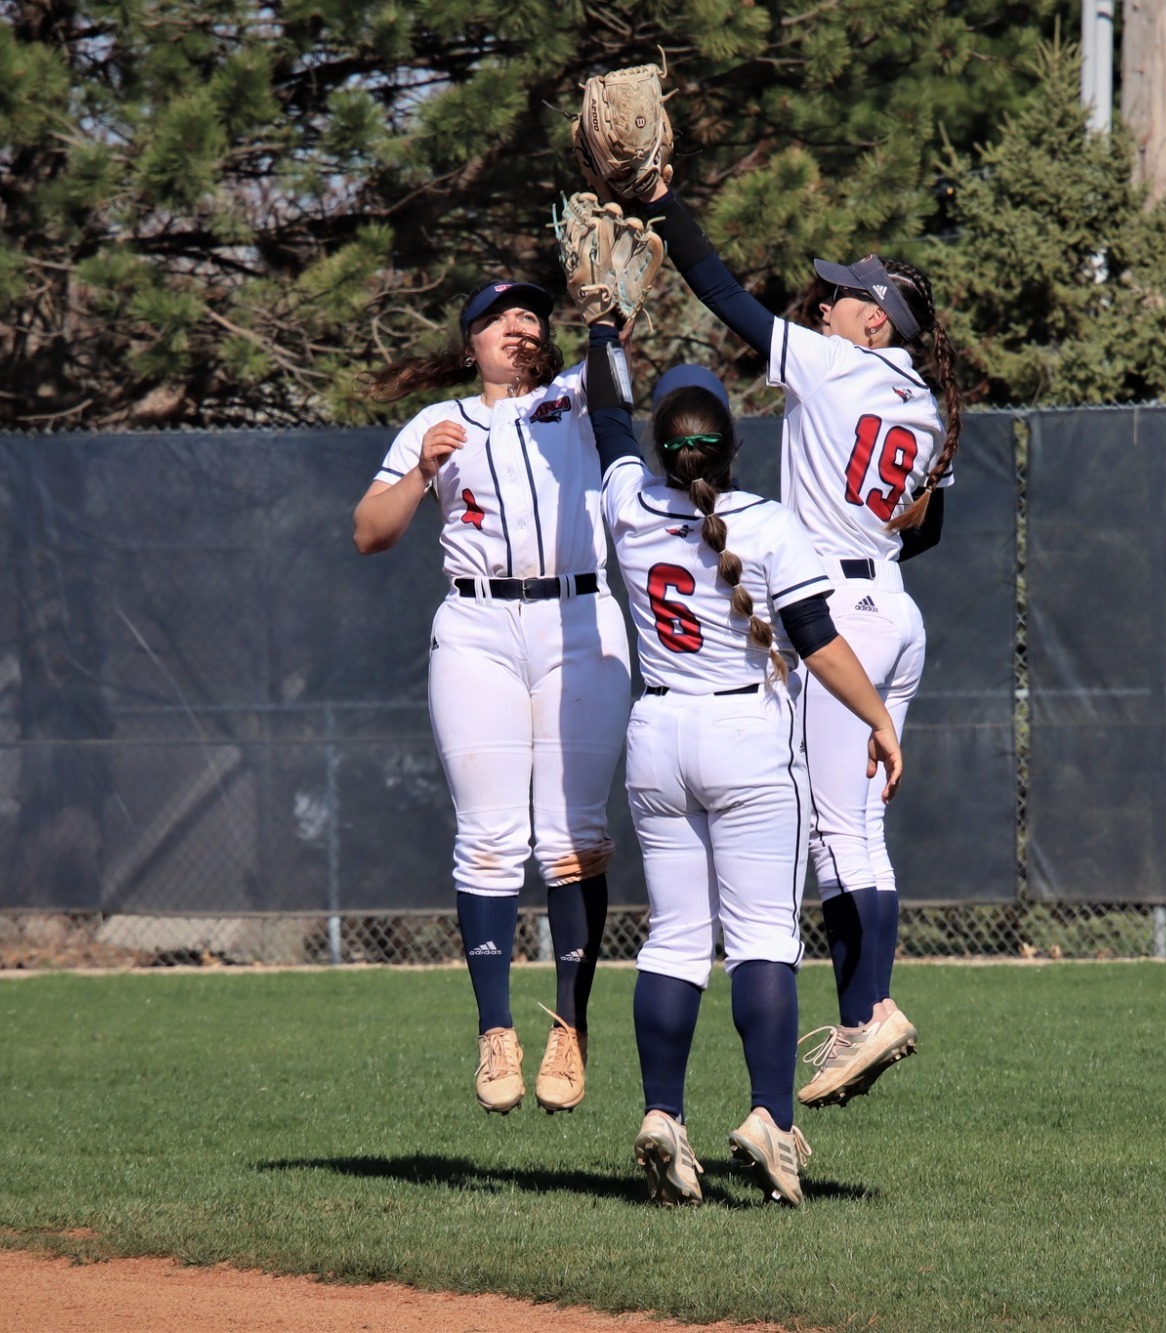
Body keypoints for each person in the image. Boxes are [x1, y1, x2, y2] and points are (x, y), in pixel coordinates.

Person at [635, 179, 963, 1109]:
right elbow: (923, 524)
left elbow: (723, 295)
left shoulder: (832, 362)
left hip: (841, 615)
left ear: (875, 323)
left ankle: (868, 1013)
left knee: (835, 831)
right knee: (862, 829)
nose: (826, 303)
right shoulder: (925, 406)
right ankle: (866, 1011)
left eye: (846, 297)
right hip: (894, 604)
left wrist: (664, 209)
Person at [577, 316, 904, 1208]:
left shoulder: (629, 505)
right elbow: (817, 641)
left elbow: (607, 416)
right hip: (748, 741)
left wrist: (605, 327)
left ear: (663, 444)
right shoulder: (768, 523)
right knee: (762, 938)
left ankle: (661, 1114)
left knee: (675, 938)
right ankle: (766, 1116)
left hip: (658, 737)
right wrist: (878, 719)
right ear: (731, 440)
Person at [352, 280, 631, 1116]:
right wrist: (422, 474)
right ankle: (497, 1031)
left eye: (532, 314)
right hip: (476, 627)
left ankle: (571, 1027)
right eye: (502, 316)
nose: (521, 324)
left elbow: (616, 365)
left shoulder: (575, 398)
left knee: (573, 832)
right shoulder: (438, 423)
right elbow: (369, 530)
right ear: (471, 340)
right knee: (488, 837)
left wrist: (609, 309)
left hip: (582, 616)